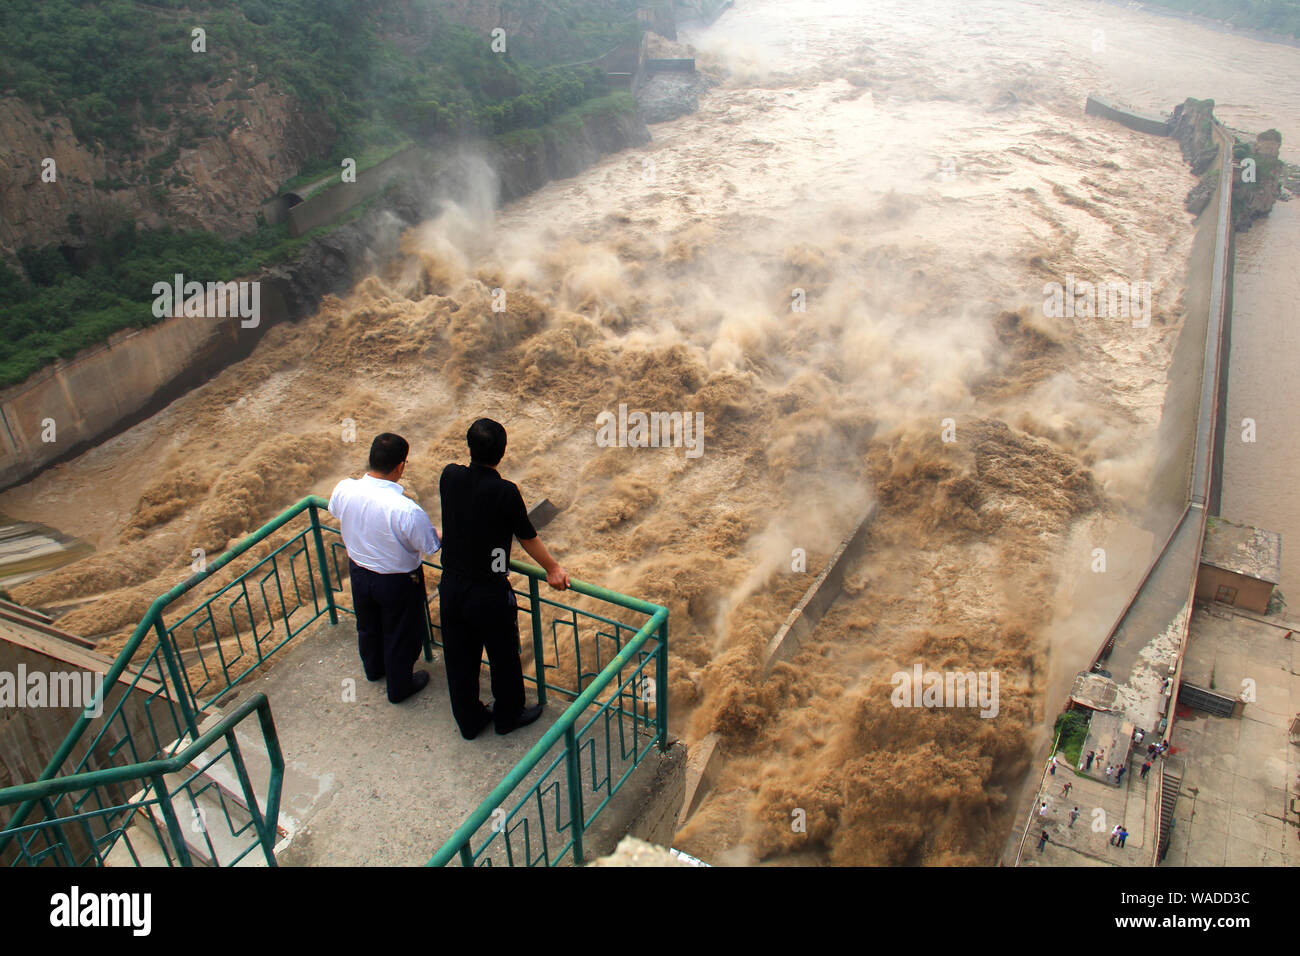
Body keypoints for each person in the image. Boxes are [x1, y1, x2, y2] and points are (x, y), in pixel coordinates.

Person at [438, 419, 570, 740]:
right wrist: (553, 568)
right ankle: (508, 716)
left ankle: (469, 722)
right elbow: (527, 537)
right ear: (502, 452)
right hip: (488, 590)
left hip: (452, 586)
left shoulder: (449, 476)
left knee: (459, 658)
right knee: (503, 656)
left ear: (469, 447)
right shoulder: (505, 491)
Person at [329, 433, 440, 704]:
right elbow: (429, 545)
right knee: (401, 634)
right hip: (397, 581)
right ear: (400, 466)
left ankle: (374, 669)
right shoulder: (406, 510)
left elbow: (335, 511)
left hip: (359, 571)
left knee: (368, 625)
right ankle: (399, 688)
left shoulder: (344, 488)